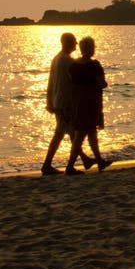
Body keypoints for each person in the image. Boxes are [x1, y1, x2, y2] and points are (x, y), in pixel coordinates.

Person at [41, 33, 95, 175]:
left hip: (57, 100)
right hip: (65, 102)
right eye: (74, 42)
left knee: (68, 133)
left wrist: (49, 101)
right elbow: (75, 80)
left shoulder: (56, 58)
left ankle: (84, 159)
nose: (75, 45)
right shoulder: (67, 61)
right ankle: (52, 165)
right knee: (66, 134)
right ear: (68, 43)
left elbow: (50, 82)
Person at [65, 36, 110, 175]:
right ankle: (70, 166)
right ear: (91, 49)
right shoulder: (94, 65)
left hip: (78, 102)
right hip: (91, 101)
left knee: (89, 132)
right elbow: (102, 83)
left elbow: (71, 82)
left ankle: (99, 160)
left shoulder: (73, 66)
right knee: (83, 134)